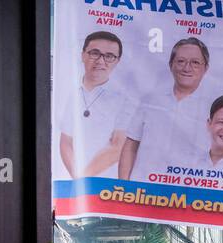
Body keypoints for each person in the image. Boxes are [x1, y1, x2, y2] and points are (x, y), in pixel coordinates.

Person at [120, 37, 212, 182]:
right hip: (141, 190)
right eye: (181, 61)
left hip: (187, 195)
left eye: (195, 62)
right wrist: (123, 186)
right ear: (171, 65)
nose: (187, 68)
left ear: (205, 68)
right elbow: (131, 145)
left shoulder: (213, 108)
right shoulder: (150, 100)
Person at [57, 31, 133, 181]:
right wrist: (76, 180)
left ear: (117, 61)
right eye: (94, 53)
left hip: (104, 186)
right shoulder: (66, 90)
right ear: (83, 55)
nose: (100, 61)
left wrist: (82, 180)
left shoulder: (125, 100)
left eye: (109, 56)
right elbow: (66, 142)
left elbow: (117, 147)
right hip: (69, 180)